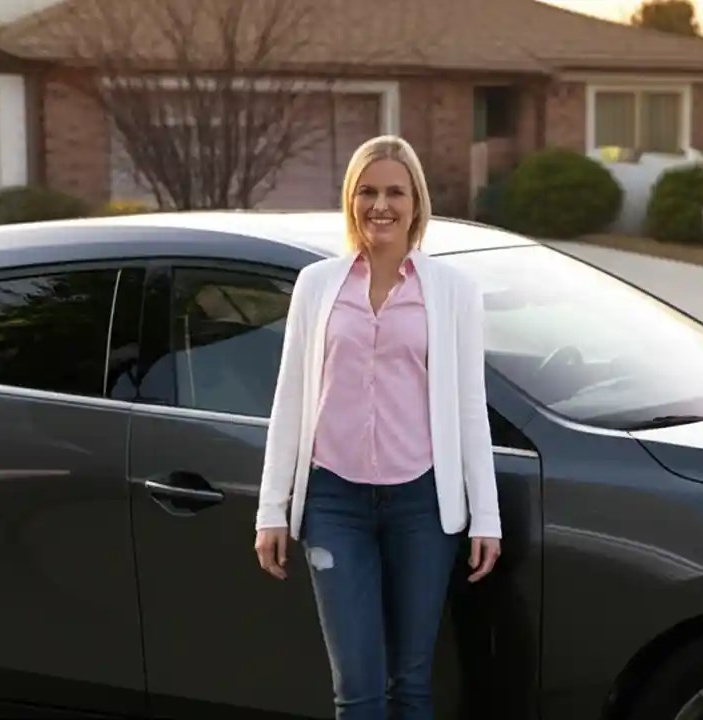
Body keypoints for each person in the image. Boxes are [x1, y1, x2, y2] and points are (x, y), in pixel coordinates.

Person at [252, 134, 502, 720]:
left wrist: (485, 515)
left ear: (417, 203)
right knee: (357, 690)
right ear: (350, 200)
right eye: (367, 191)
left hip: (423, 503)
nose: (380, 205)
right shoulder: (317, 286)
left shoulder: (454, 292)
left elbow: (471, 406)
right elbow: (290, 400)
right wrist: (272, 508)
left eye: (394, 191)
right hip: (333, 503)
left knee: (412, 684)